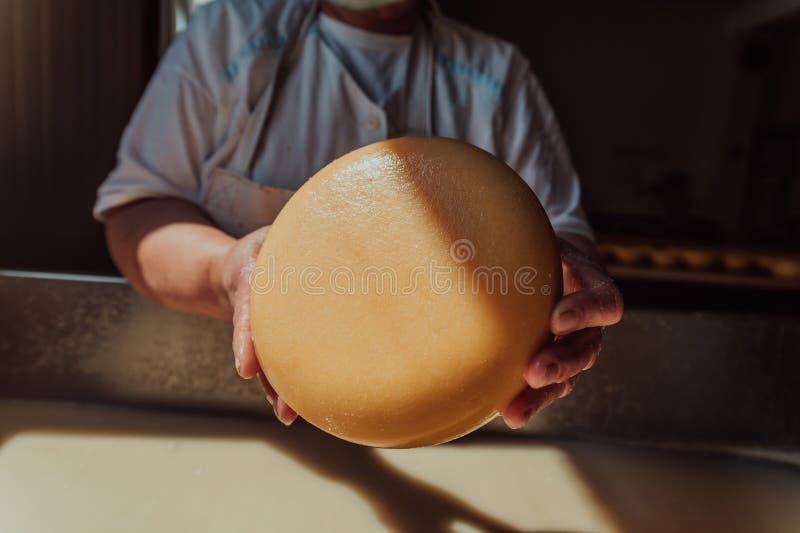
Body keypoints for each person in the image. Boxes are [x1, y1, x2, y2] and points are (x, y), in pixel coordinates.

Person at [95, 0, 623, 430]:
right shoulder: (228, 36)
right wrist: (227, 270)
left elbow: (562, 239)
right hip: (217, 417)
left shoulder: (494, 76)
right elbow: (137, 214)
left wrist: (566, 304)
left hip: (457, 420)